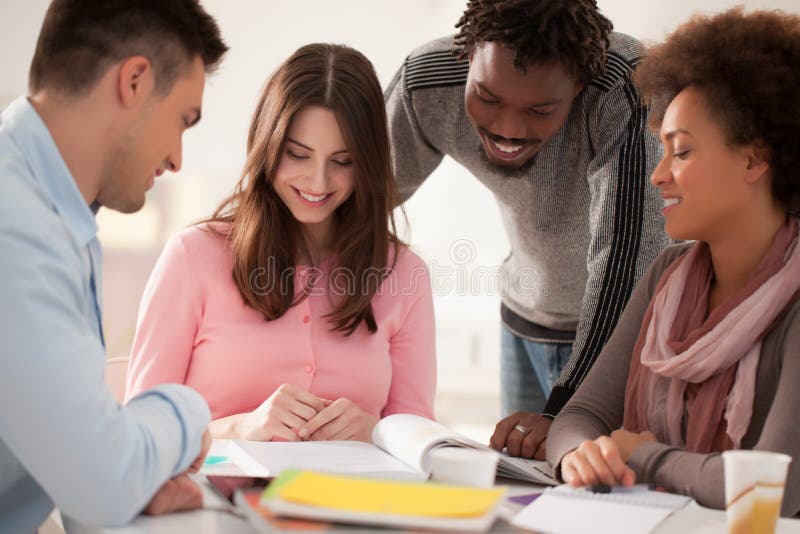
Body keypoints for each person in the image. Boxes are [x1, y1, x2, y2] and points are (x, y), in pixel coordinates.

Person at [386, 0, 669, 458]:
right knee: (520, 482)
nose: (508, 128)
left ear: (579, 84)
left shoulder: (624, 87)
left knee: (591, 488)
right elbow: (353, 196)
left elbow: (628, 255)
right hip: (524, 318)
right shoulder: (428, 79)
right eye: (488, 98)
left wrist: (564, 408)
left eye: (539, 110)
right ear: (468, 55)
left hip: (625, 338)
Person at [546, 7, 800, 515]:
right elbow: (579, 416)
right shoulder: (667, 274)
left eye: (680, 152)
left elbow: (776, 488)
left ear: (753, 159)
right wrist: (581, 456)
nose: (657, 175)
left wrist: (639, 456)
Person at [125, 43, 436, 444]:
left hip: (352, 487)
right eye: (298, 155)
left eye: (343, 161)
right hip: (219, 486)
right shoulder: (193, 256)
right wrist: (238, 428)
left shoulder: (404, 274)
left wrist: (376, 434)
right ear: (267, 145)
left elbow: (419, 441)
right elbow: (141, 431)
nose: (318, 182)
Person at [0, 0, 228, 531]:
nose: (177, 159)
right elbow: (104, 479)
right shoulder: (17, 227)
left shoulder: (54, 213)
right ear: (135, 82)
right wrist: (188, 410)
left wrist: (128, 477)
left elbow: (86, 464)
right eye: (183, 120)